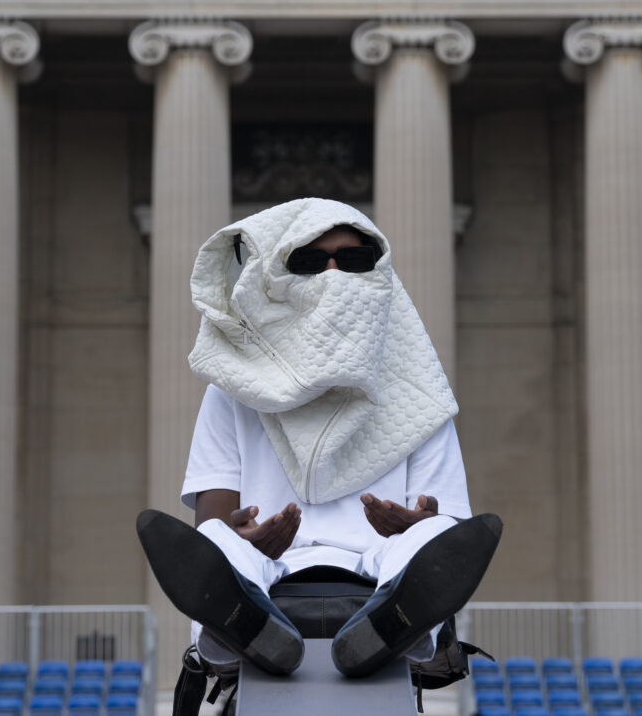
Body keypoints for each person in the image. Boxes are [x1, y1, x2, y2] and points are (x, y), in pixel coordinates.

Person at [137, 197, 501, 680]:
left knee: (432, 539)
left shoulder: (422, 394)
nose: (332, 276)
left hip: (381, 572)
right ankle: (244, 628)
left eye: (353, 261)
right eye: (309, 262)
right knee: (218, 545)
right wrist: (247, 538)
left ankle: (387, 627)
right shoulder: (232, 391)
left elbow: (449, 529)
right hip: (268, 572)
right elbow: (215, 520)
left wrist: (418, 524)